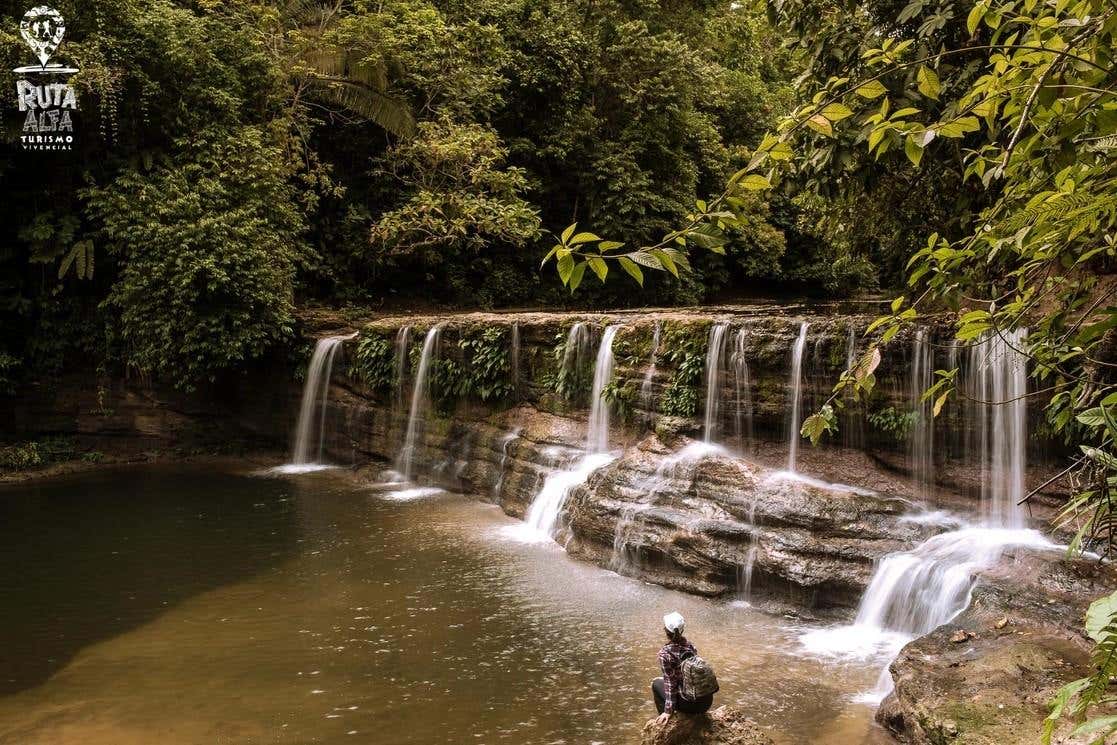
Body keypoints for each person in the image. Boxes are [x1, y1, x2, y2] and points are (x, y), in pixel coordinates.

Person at [652, 611, 713, 723]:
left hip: (691, 707)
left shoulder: (664, 654)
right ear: (682, 630)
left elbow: (670, 683)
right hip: (707, 702)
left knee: (656, 683)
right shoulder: (690, 646)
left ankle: (664, 720)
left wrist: (668, 710)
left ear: (665, 631)